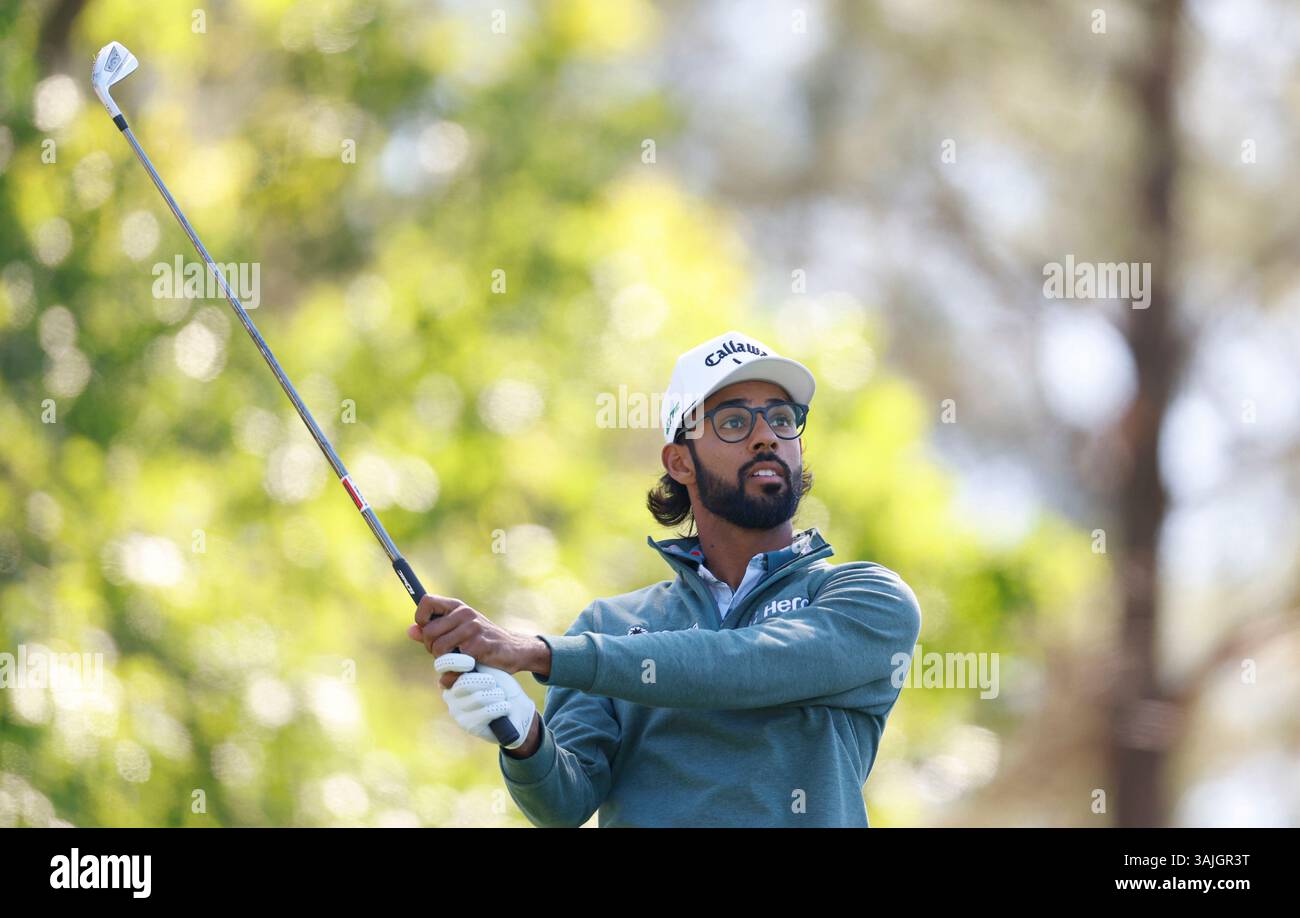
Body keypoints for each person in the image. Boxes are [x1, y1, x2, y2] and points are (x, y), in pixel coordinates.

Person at [407, 330, 922, 827]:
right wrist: (523, 735)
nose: (767, 436)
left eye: (783, 419)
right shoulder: (611, 623)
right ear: (680, 461)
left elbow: (749, 664)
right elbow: (563, 806)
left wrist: (541, 653)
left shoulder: (866, 599)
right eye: (735, 422)